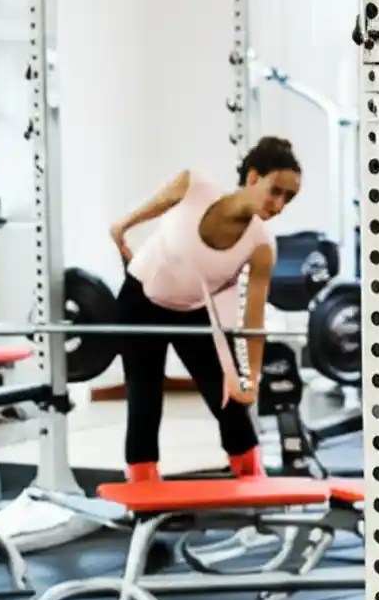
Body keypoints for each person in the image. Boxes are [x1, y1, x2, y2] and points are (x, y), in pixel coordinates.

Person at [109, 136, 300, 483]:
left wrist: (251, 380)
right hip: (140, 301)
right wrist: (123, 227)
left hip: (194, 309)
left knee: (230, 401)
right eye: (276, 190)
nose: (280, 204)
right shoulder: (194, 184)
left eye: (289, 197)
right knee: (144, 400)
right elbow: (152, 206)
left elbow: (252, 319)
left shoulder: (261, 246)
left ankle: (252, 484)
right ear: (253, 177)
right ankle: (144, 499)